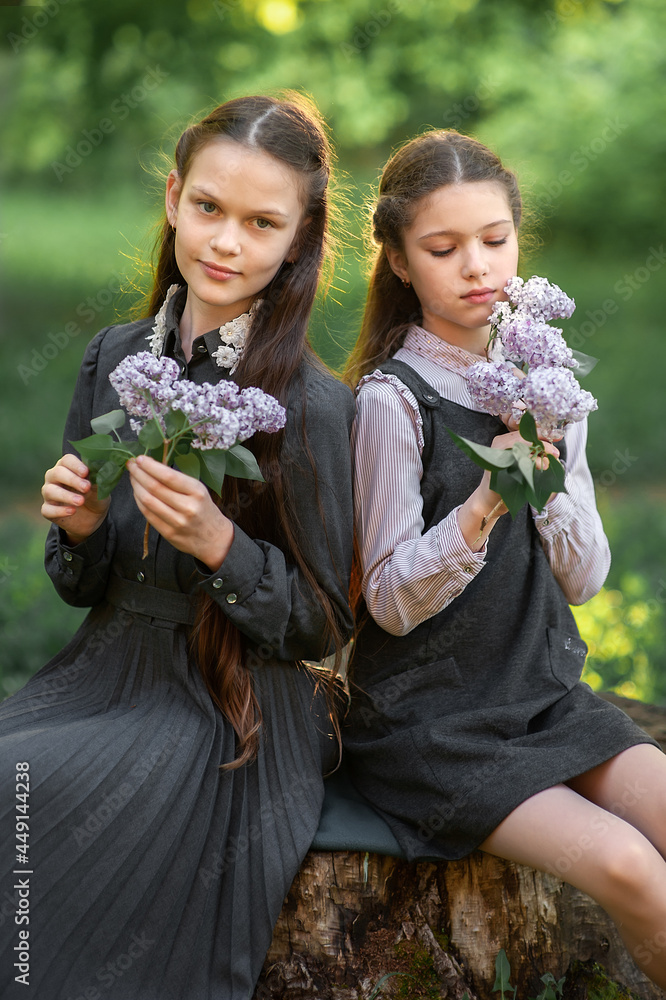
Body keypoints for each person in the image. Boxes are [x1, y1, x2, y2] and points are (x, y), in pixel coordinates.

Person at [0, 93, 354, 1000]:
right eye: (209, 207)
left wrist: (221, 544)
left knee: (20, 791)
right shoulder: (117, 358)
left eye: (261, 222)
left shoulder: (306, 404)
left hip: (227, 708)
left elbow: (321, 625)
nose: (226, 242)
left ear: (299, 238)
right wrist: (77, 531)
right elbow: (83, 587)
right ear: (171, 199)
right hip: (105, 671)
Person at [342, 129, 666, 988]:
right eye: (443, 248)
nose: (476, 267)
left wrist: (548, 469)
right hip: (432, 723)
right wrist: (488, 500)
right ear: (401, 260)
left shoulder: (547, 384)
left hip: (542, 695)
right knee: (632, 869)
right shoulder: (391, 400)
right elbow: (385, 601)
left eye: (496, 240)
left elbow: (584, 581)